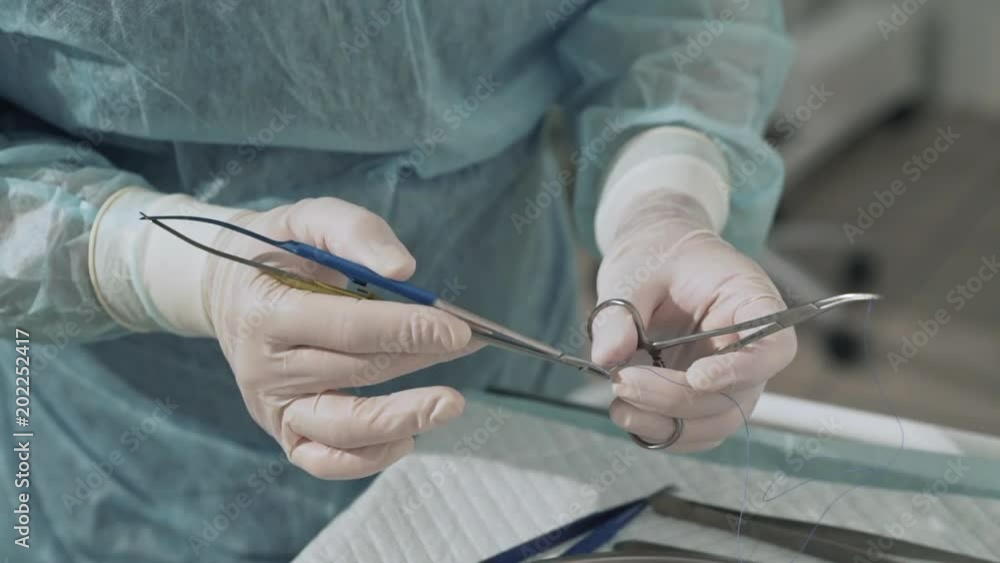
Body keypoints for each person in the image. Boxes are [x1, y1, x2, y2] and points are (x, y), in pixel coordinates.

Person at [0, 1, 796, 560]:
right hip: (139, 465)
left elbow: (682, 18)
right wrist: (162, 266)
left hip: (508, 388)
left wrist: (664, 198)